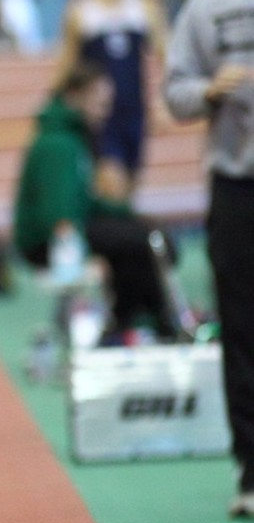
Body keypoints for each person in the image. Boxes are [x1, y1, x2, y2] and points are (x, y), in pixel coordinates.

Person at [163, 0, 254, 518]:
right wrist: (209, 92)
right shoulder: (206, 2)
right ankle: (252, 472)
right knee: (244, 332)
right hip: (237, 185)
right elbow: (174, 93)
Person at [14, 62, 177, 341]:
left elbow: (83, 202)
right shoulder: (59, 145)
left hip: (66, 228)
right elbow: (58, 214)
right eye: (99, 104)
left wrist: (125, 214)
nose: (105, 112)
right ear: (74, 96)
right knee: (143, 241)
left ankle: (131, 318)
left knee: (142, 234)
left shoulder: (74, 137)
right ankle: (148, 321)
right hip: (48, 241)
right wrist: (72, 255)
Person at [54, 0, 170, 183]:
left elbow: (165, 55)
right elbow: (67, 62)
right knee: (109, 182)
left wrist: (161, 100)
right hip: (98, 112)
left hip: (133, 108)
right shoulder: (81, 9)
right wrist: (58, 103)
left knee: (131, 182)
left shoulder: (145, 5)